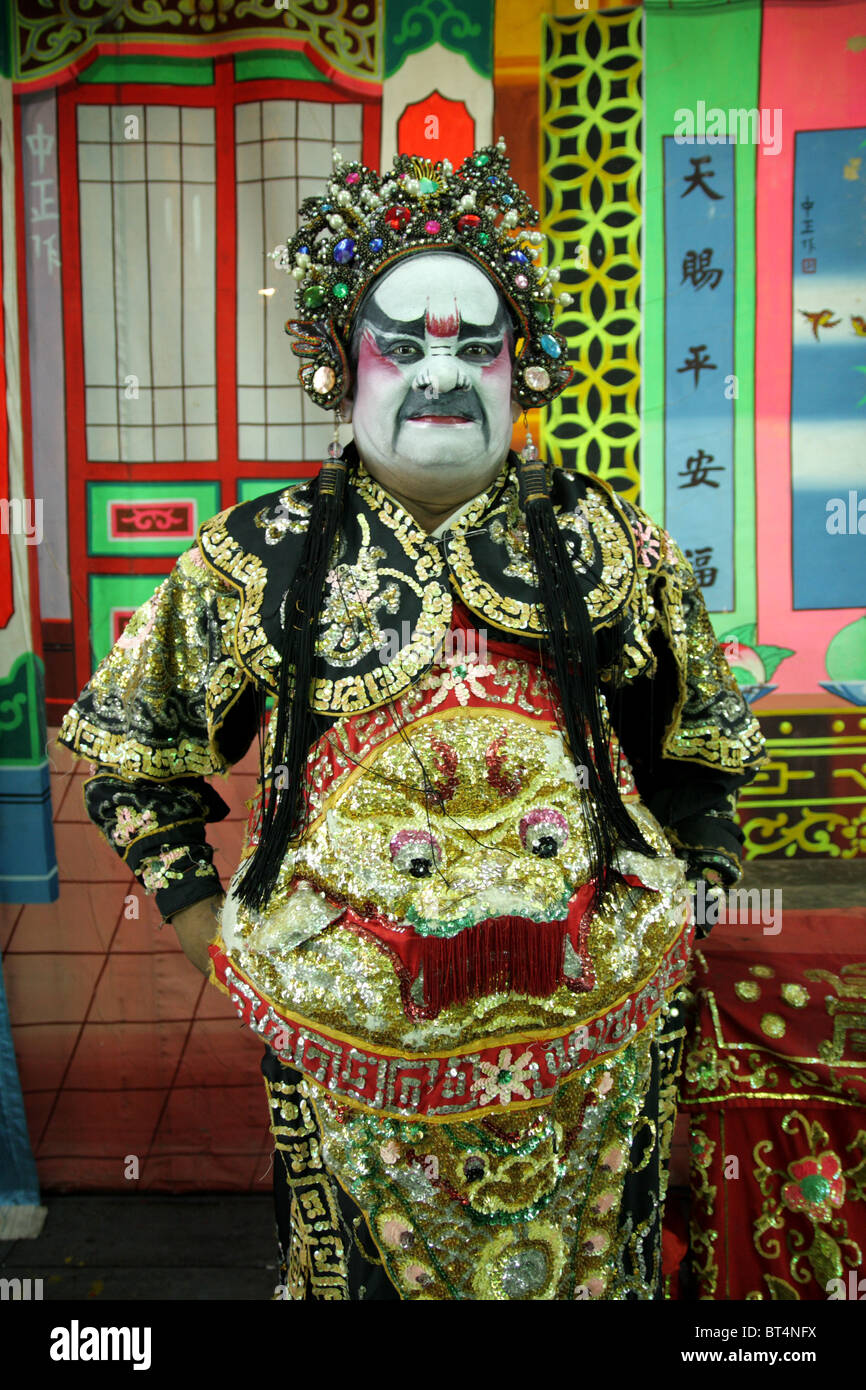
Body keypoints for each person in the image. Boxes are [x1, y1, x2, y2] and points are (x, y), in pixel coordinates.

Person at [59, 139, 765, 1301]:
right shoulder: (255, 557)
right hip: (347, 1044)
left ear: (518, 369)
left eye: (475, 346)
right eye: (406, 345)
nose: (443, 372)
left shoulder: (610, 542)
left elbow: (699, 752)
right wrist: (204, 924)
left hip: (593, 1040)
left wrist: (688, 895)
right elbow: (137, 757)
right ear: (346, 366)